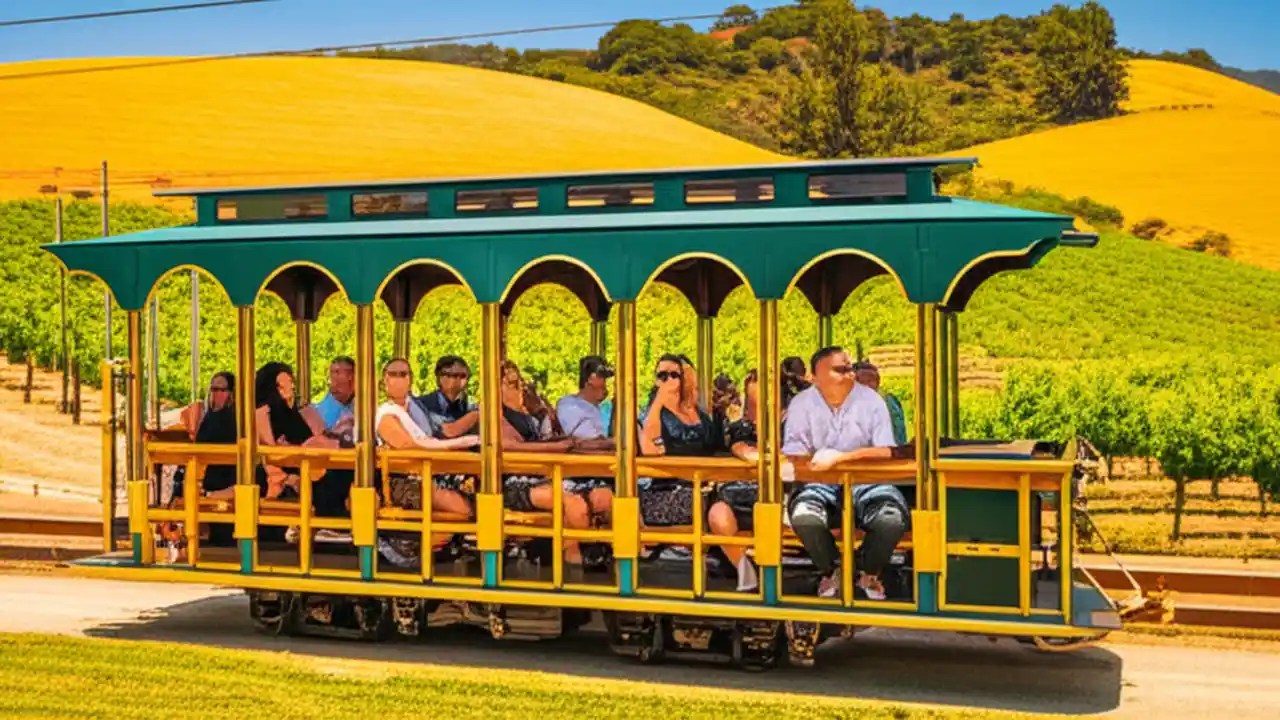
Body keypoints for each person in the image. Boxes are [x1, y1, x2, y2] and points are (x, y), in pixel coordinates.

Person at [783, 347, 908, 600]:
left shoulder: (872, 401)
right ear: (816, 376)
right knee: (805, 517)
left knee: (891, 519)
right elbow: (794, 452)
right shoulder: (801, 403)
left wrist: (840, 458)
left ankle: (868, 571)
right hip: (818, 483)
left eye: (850, 367)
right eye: (841, 369)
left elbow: (886, 450)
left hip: (867, 482)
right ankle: (834, 570)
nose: (850, 373)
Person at [375, 358, 482, 566]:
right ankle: (414, 552)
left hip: (431, 471)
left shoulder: (416, 410)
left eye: (404, 374)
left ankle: (439, 547)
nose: (399, 379)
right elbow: (407, 446)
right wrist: (455, 444)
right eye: (393, 374)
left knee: (478, 501)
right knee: (466, 509)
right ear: (384, 381)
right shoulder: (386, 414)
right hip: (405, 480)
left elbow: (434, 435)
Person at [498, 361, 596, 567]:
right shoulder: (494, 415)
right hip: (513, 483)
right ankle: (574, 563)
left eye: (521, 384)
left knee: (604, 497)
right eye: (512, 384)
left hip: (544, 476)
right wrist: (555, 448)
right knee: (574, 503)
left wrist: (543, 410)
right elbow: (511, 447)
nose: (520, 390)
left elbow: (550, 436)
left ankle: (600, 554)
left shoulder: (529, 415)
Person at [638, 354, 721, 527]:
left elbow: (715, 447)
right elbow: (650, 449)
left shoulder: (699, 414)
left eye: (675, 375)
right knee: (702, 504)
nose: (669, 380)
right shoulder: (652, 413)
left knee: (729, 499)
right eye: (662, 376)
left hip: (701, 485)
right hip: (665, 490)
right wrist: (660, 400)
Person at [707, 369, 762, 591]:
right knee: (717, 514)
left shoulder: (792, 427)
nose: (752, 410)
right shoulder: (741, 428)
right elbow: (741, 448)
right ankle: (743, 568)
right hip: (737, 496)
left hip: (779, 497)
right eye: (750, 403)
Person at [554, 356, 616, 521]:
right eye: (603, 379)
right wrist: (613, 442)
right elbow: (583, 443)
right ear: (591, 379)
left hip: (606, 469)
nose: (606, 385)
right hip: (580, 472)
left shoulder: (606, 408)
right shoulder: (570, 405)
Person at [416, 355, 480, 439]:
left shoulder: (470, 407)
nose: (460, 380)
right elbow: (447, 431)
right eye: (454, 375)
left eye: (463, 376)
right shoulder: (421, 405)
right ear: (439, 377)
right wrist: (474, 416)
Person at [854, 361, 908, 446]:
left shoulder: (889, 402)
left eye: (871, 380)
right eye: (861, 381)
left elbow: (899, 435)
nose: (867, 385)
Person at [313, 356, 355, 439]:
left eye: (337, 372)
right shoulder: (320, 407)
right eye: (331, 373)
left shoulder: (362, 404)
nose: (332, 378)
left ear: (350, 376)